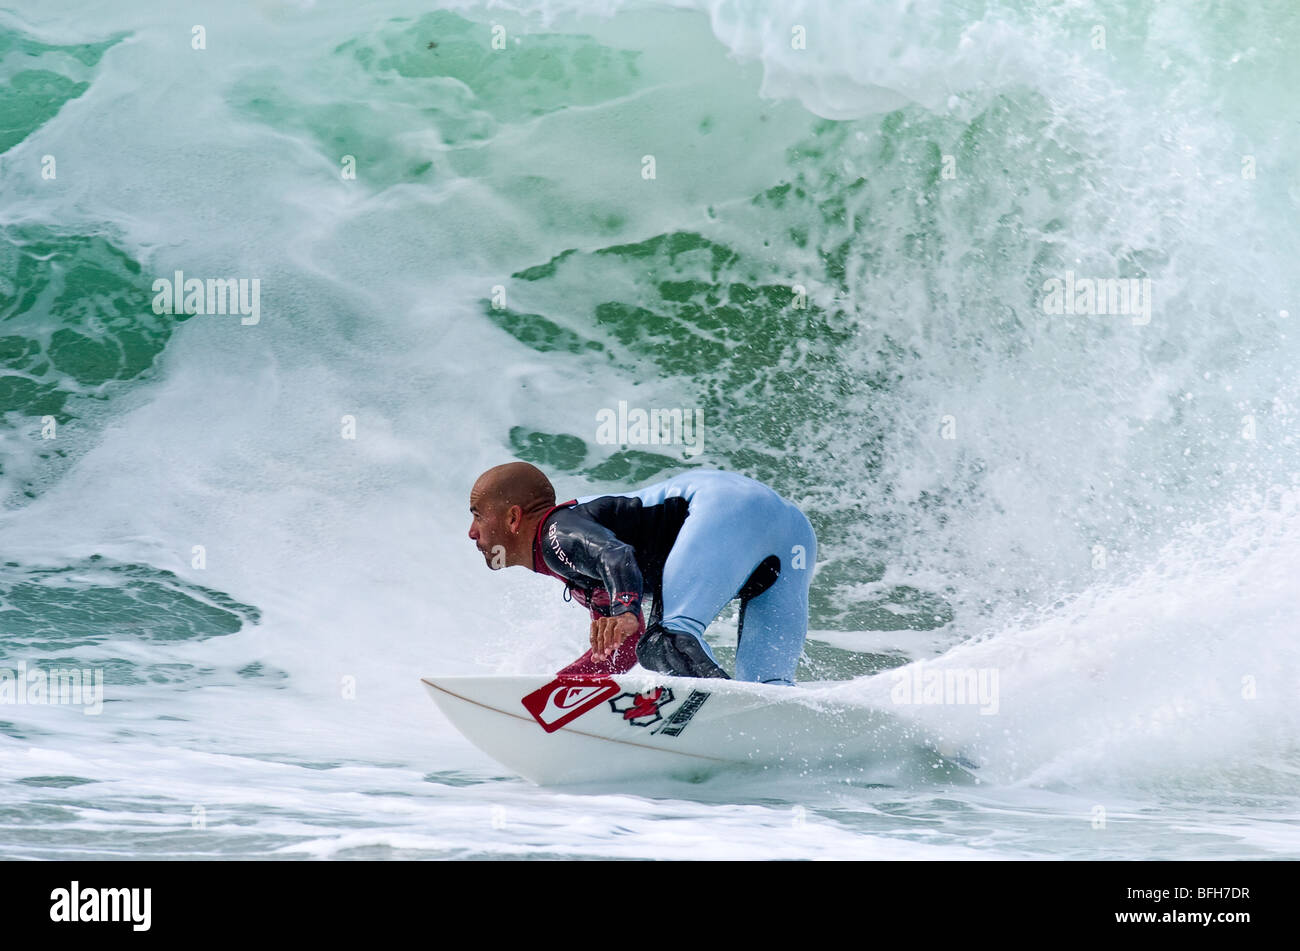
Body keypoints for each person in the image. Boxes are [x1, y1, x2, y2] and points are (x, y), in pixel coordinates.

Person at [467, 462, 817, 684]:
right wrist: (558, 691)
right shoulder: (580, 565)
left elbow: (617, 556)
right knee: (768, 689)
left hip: (724, 507)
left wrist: (626, 610)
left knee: (666, 641)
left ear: (513, 518)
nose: (472, 532)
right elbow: (624, 649)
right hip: (791, 532)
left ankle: (721, 712)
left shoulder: (556, 533)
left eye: (478, 515)